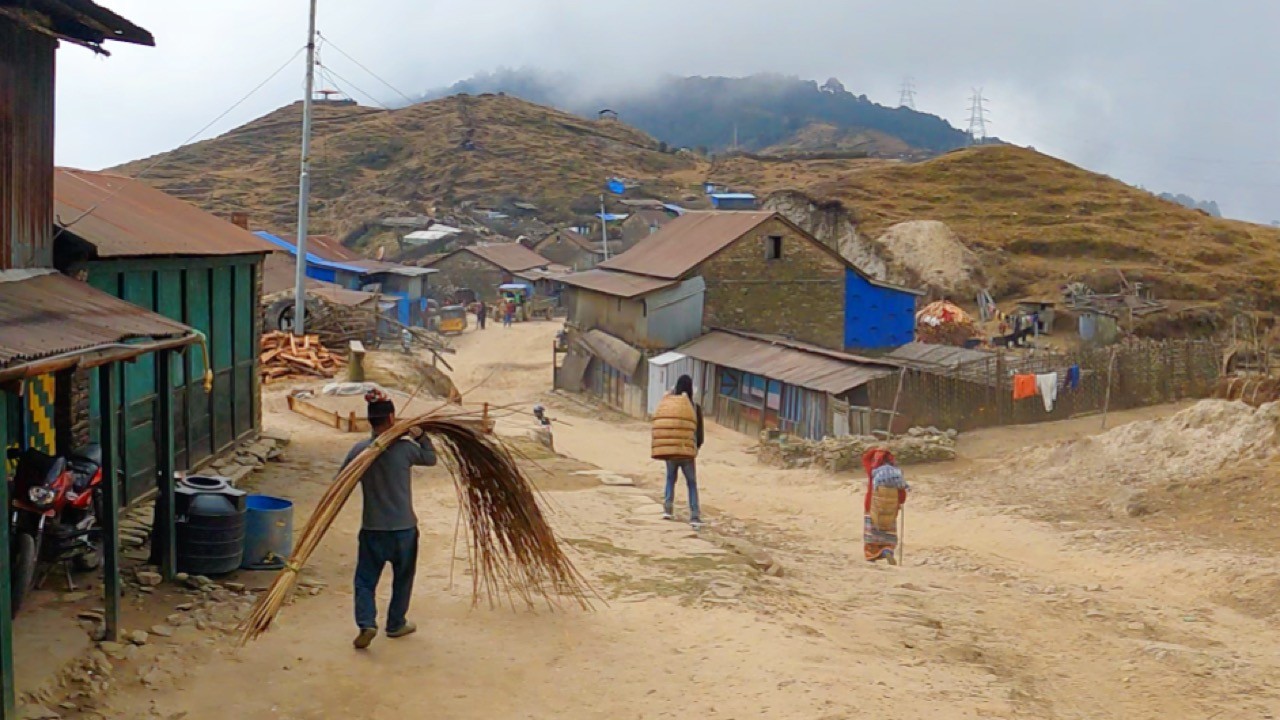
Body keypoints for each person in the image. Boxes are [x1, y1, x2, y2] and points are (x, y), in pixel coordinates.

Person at [340, 389, 438, 649]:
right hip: (405, 529)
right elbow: (431, 458)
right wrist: (421, 436)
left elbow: (340, 482)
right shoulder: (405, 449)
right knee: (403, 578)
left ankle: (366, 623)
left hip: (372, 528)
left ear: (370, 420)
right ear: (392, 418)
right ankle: (395, 624)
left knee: (365, 581)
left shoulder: (360, 451)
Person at [651, 375, 704, 528]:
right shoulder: (694, 407)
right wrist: (695, 447)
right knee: (691, 483)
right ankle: (694, 516)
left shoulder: (669, 405)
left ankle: (668, 510)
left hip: (670, 451)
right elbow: (699, 433)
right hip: (687, 452)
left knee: (670, 479)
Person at [861, 448, 908, 565]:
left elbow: (865, 458)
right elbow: (902, 494)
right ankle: (887, 550)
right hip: (891, 508)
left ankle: (872, 555)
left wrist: (877, 449)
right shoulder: (897, 474)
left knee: (872, 535)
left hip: (872, 506)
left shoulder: (873, 471)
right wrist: (900, 503)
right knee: (888, 533)